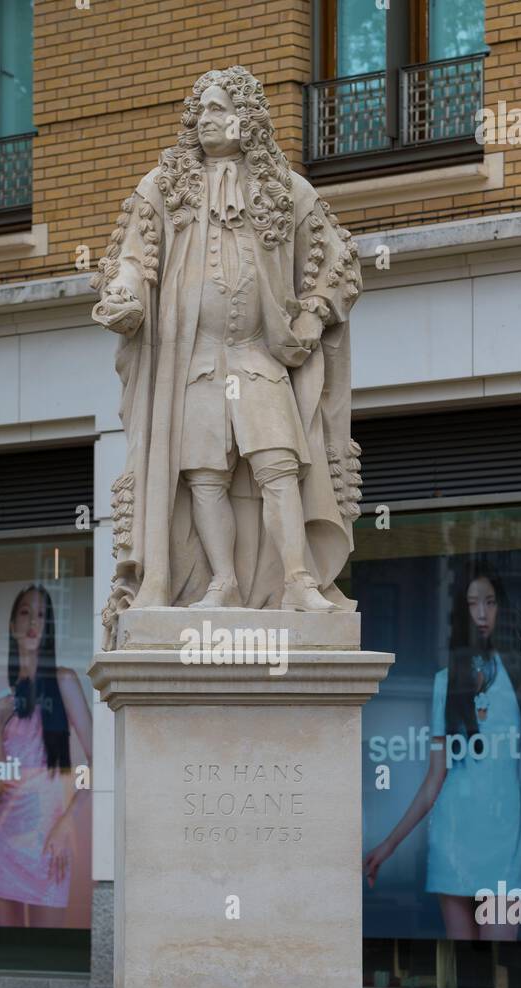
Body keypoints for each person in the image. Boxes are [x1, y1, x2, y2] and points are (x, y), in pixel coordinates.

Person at [91, 65, 364, 647]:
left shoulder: (285, 189)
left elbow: (340, 261)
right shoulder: (162, 188)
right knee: (204, 474)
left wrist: (314, 311)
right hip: (194, 358)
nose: (207, 120)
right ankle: (223, 582)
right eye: (202, 111)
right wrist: (126, 297)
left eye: (220, 109)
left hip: (257, 354)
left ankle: (296, 580)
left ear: (249, 119)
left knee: (278, 464)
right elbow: (133, 260)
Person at [364, 563, 521, 942]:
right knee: (465, 967)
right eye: (472, 604)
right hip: (452, 837)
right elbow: (435, 780)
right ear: (460, 612)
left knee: (499, 963)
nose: (482, 614)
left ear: (502, 607)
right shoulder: (445, 682)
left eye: (490, 602)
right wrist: (389, 843)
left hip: (505, 836)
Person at [0, 584, 92, 928]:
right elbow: (1, 785)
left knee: (48, 948)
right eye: (26, 612)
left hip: (48, 841)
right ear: (13, 625)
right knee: (7, 952)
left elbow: (101, 762)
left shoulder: (65, 682)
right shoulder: (2, 705)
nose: (33, 622)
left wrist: (66, 823)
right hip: (4, 844)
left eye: (42, 615)